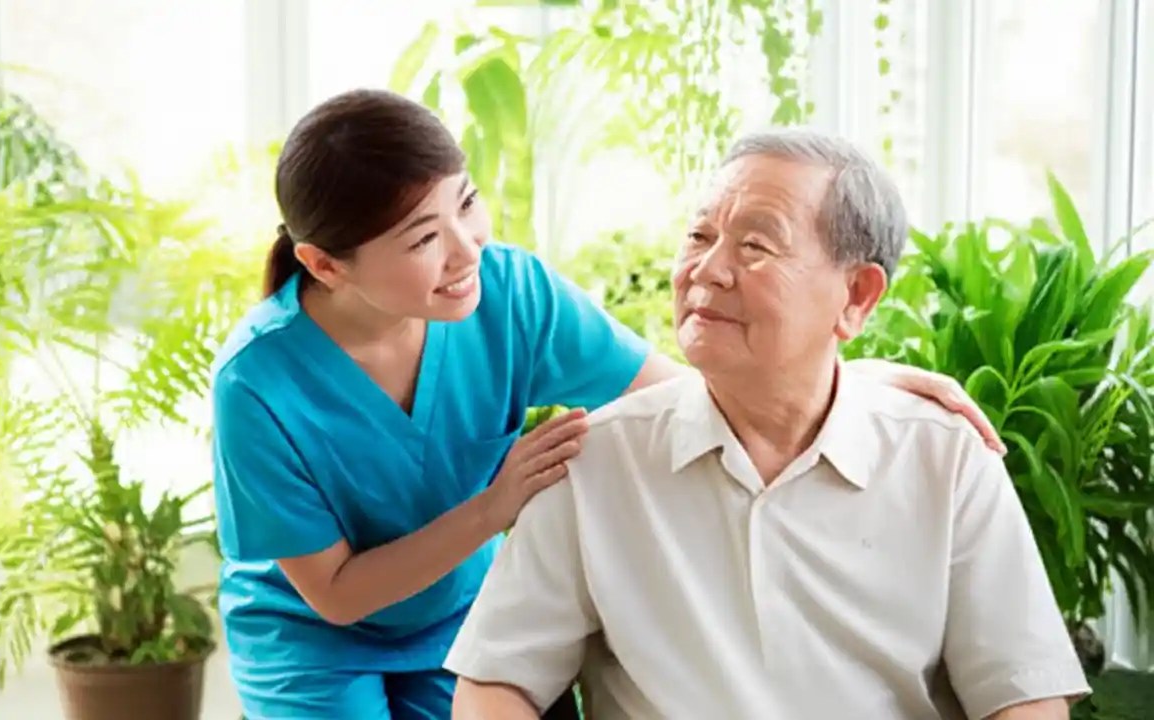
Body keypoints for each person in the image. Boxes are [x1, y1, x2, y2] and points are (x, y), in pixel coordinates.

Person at [210, 90, 1007, 719]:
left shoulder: (510, 295)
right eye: (423, 239)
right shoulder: (258, 384)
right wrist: (496, 508)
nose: (466, 246)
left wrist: (849, 379)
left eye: (467, 202)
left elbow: (692, 387)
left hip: (455, 620)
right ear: (325, 263)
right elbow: (338, 594)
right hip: (316, 643)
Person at [444, 129, 1090, 720]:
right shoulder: (593, 462)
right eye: (699, 237)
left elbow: (1023, 696)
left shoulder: (945, 458)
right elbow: (497, 680)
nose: (708, 270)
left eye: (755, 246)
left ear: (858, 296)